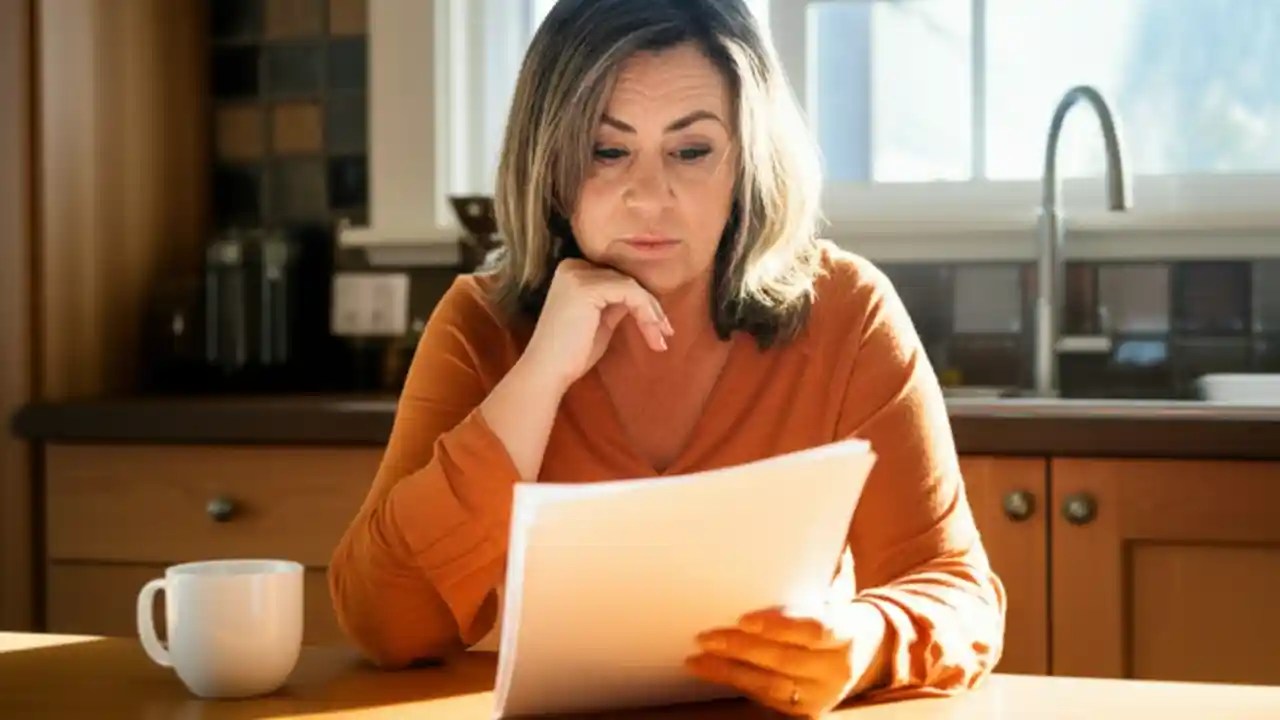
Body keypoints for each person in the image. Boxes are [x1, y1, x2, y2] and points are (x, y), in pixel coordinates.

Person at [328, 0, 1006, 716]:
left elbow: (955, 591)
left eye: (691, 151)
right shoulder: (480, 326)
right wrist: (538, 379)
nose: (650, 196)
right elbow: (383, 622)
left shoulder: (848, 311)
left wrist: (866, 641)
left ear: (747, 162)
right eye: (606, 150)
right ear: (550, 166)